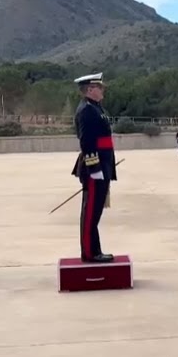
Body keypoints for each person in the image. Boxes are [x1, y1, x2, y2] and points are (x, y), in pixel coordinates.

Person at [72, 73, 116, 262]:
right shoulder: (86, 110)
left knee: (95, 212)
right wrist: (95, 167)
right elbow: (87, 142)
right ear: (90, 90)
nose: (103, 90)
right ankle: (90, 253)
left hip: (102, 164)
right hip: (94, 168)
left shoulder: (95, 107)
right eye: (100, 87)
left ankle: (94, 249)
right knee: (90, 213)